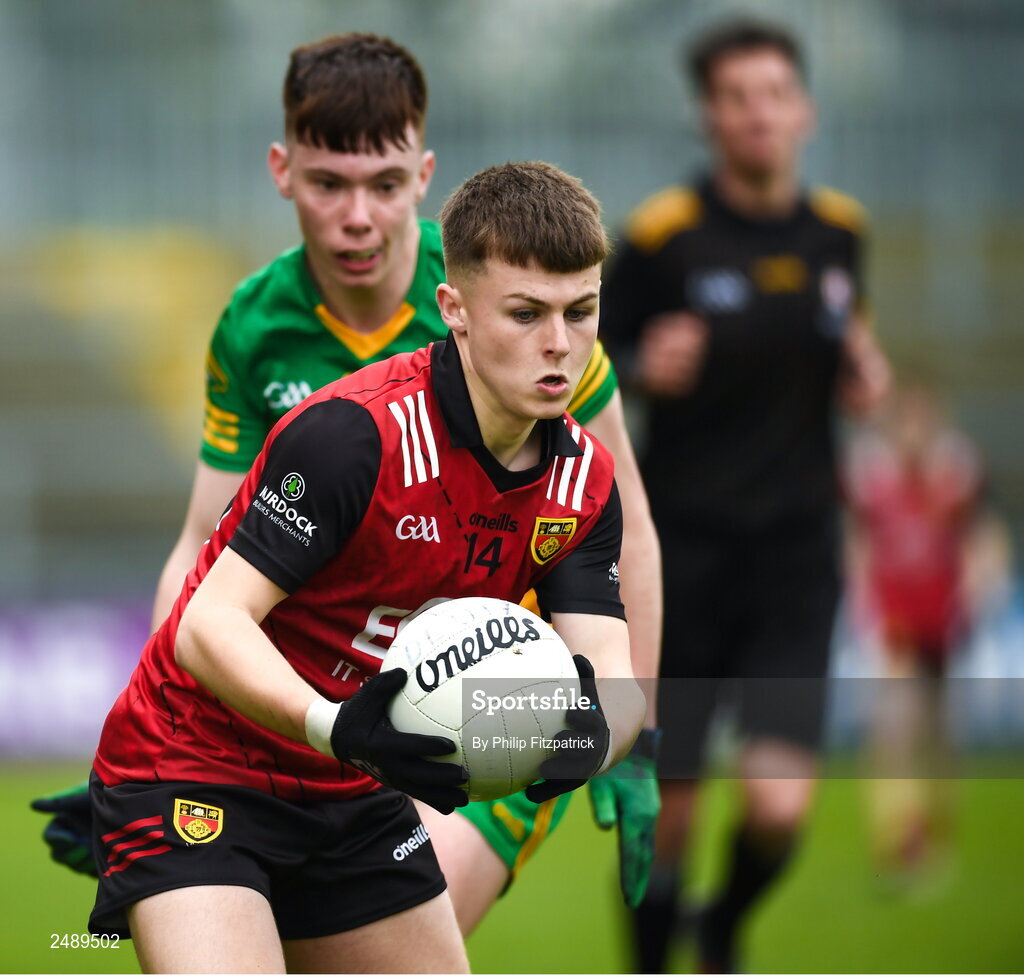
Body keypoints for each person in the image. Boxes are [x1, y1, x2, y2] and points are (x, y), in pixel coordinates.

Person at [32, 33, 663, 931]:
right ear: (460, 315)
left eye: (582, 313)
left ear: (423, 176)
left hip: (391, 749)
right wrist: (135, 737)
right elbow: (207, 586)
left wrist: (608, 733)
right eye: (331, 184)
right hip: (234, 747)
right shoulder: (313, 392)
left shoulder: (550, 374)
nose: (557, 339)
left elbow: (620, 548)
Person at [599, 18, 890, 972]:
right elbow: (588, 362)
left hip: (796, 560)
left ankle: (722, 930)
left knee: (777, 804)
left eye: (773, 93)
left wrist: (864, 375)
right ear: (708, 116)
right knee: (667, 807)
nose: (757, 113)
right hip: (682, 556)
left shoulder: (842, 232)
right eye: (736, 97)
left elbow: (847, 350)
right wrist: (644, 363)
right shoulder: (660, 238)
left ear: (802, 109)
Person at [844, 382, 1011, 890]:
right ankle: (898, 838)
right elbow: (858, 539)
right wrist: (862, 603)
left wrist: (983, 585)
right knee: (893, 725)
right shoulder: (871, 474)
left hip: (944, 615)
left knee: (941, 731)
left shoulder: (956, 472)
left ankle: (935, 834)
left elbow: (983, 535)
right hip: (895, 618)